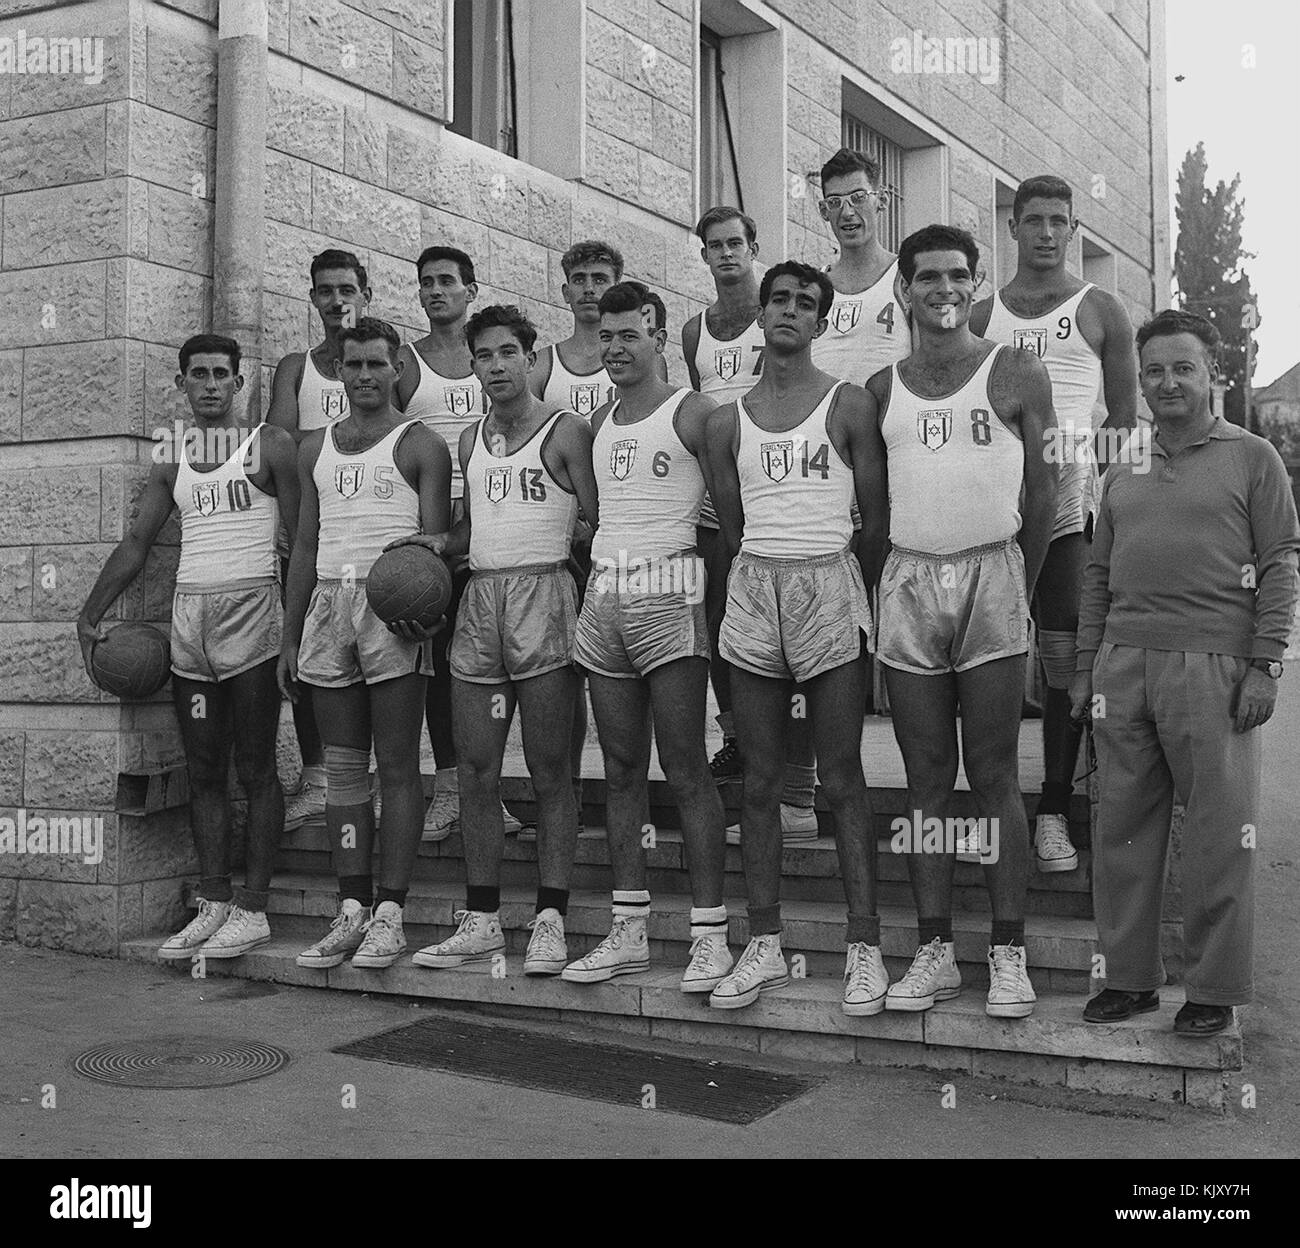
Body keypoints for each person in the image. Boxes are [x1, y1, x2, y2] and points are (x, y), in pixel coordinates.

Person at [1071, 309, 1299, 1036]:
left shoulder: (1253, 457)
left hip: (1216, 668)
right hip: (1124, 667)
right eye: (1156, 370)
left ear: (1212, 376)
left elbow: (1279, 566)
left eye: (1184, 367)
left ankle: (1213, 988)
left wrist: (1265, 663)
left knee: (1217, 833)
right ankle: (1132, 980)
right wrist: (1087, 672)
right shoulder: (1123, 465)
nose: (1169, 381)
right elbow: (1098, 576)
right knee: (1123, 833)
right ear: (1142, 381)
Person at [864, 225, 1057, 1019]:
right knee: (925, 780)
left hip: (993, 571)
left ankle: (1008, 952)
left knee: (996, 773)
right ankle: (936, 948)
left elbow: (1044, 495)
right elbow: (873, 514)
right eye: (927, 278)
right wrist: (886, 592)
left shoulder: (1017, 370)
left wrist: (1023, 583)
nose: (943, 290)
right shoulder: (880, 388)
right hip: (910, 578)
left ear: (975, 283)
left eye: (957, 276)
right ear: (903, 290)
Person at [78, 335, 300, 961]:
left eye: (220, 375)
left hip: (252, 611)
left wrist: (294, 628)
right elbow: (137, 542)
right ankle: (215, 900)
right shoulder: (173, 455)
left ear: (238, 383)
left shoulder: (269, 445)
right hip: (190, 620)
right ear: (181, 384)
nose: (209, 385)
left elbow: (304, 537)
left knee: (255, 767)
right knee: (204, 769)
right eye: (197, 374)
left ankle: (254, 908)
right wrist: (89, 614)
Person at [705, 260, 886, 1015]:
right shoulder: (724, 421)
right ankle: (765, 943)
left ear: (820, 322)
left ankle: (864, 947)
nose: (787, 310)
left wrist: (850, 590)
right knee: (758, 780)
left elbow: (874, 522)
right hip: (757, 584)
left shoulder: (847, 405)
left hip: (828, 581)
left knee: (840, 777)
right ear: (762, 315)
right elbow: (732, 523)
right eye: (777, 299)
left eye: (803, 303)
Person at [402, 305, 599, 976]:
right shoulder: (470, 440)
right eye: (483, 356)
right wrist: (439, 543)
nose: (495, 366)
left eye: (507, 353)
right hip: (481, 601)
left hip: (545, 596)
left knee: (551, 773)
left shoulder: (569, 430)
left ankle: (550, 917)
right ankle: (482, 918)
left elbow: (598, 524)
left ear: (529, 355)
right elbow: (473, 524)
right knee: (478, 772)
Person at [562, 281, 731, 992]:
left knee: (687, 765)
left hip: (670, 585)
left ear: (660, 337)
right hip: (608, 590)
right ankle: (628, 929)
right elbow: (595, 518)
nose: (616, 348)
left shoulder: (696, 413)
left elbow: (731, 517)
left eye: (630, 334)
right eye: (605, 336)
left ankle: (710, 933)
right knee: (621, 768)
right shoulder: (594, 424)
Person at [972, 174, 1138, 873]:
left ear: (1072, 230)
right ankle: (995, 805)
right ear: (1011, 227)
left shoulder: (1101, 307)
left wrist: (1089, 484)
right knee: (990, 649)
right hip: (993, 491)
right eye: (1032, 219)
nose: (1045, 232)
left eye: (1058, 221)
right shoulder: (981, 316)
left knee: (1066, 652)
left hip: (1070, 493)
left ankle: (1055, 807)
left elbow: (1125, 416)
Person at [282, 318, 451, 970]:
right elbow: (302, 545)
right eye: (354, 365)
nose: (364, 376)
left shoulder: (421, 443)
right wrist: (290, 636)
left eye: (377, 364)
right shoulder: (312, 448)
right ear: (340, 370)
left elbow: (436, 548)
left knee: (400, 766)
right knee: (345, 771)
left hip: (392, 611)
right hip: (329, 603)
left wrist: (429, 613)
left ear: (396, 368)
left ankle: (390, 911)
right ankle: (351, 907)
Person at [394, 244, 520, 842]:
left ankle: (491, 792)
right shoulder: (404, 363)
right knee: (441, 666)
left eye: (447, 281)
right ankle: (451, 789)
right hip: (436, 535)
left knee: (503, 668)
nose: (436, 290)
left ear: (471, 289)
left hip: (498, 523)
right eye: (426, 283)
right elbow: (387, 444)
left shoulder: (490, 359)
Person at [267, 249, 372, 831]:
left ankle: (367, 774)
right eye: (325, 291)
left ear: (366, 293)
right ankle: (315, 777)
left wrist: (323, 439)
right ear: (312, 299)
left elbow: (392, 426)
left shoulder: (386, 356)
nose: (337, 301)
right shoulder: (295, 366)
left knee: (379, 659)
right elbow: (279, 441)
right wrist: (342, 434)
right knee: (308, 653)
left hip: (370, 528)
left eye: (347, 290)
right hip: (308, 527)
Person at [682, 206, 763, 787]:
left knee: (774, 613)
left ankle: (787, 751)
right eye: (716, 245)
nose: (727, 253)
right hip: (715, 487)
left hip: (773, 481)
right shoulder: (694, 331)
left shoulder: (779, 311)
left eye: (736, 242)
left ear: (752, 247)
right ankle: (736, 736)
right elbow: (697, 408)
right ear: (704, 254)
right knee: (718, 616)